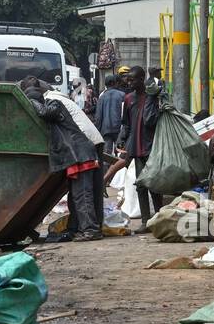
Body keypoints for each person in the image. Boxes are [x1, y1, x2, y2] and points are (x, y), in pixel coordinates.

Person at [22, 76, 105, 242]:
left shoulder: (54, 103)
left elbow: (44, 112)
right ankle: (82, 228)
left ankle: (90, 230)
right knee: (78, 196)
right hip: (78, 153)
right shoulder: (52, 103)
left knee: (82, 195)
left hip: (80, 153)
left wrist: (32, 102)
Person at [115, 65, 164, 227]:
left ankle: (159, 218)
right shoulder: (129, 99)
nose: (128, 82)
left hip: (152, 147)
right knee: (141, 186)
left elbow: (153, 120)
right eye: (127, 79)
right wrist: (122, 139)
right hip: (136, 147)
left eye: (132, 79)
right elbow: (126, 124)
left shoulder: (152, 96)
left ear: (141, 80)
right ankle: (145, 221)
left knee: (155, 185)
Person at [94, 75, 125, 155]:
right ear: (113, 83)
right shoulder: (122, 95)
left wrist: (97, 131)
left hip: (105, 130)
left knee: (107, 154)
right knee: (120, 153)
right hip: (119, 129)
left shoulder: (102, 97)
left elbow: (98, 117)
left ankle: (107, 167)